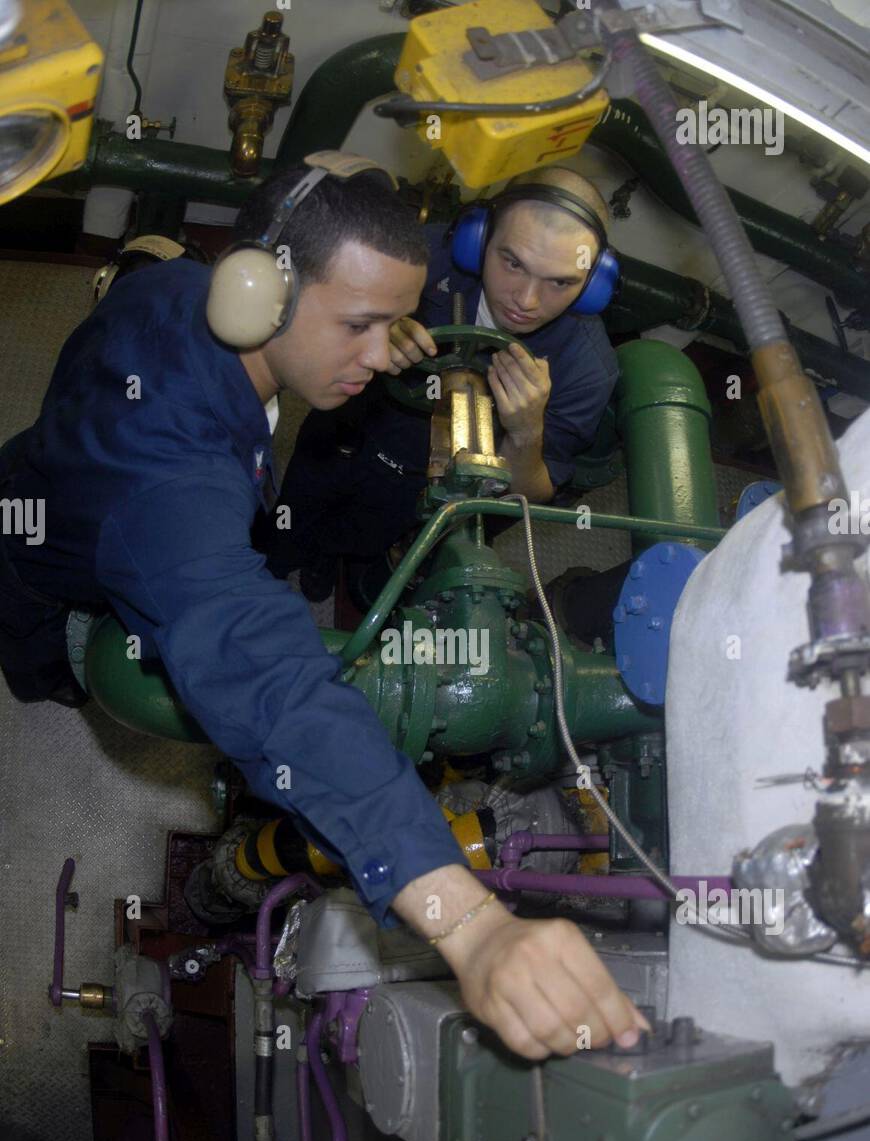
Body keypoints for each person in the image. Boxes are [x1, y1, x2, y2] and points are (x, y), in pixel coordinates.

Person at [0, 153, 646, 1059]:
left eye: (397, 322)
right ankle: (38, 672)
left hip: (41, 462)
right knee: (46, 662)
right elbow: (279, 692)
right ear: (265, 290)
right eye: (360, 324)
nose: (385, 356)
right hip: (44, 561)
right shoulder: (174, 496)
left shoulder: (180, 287)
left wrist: (344, 175)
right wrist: (469, 921)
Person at [253, 165, 620, 600]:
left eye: (561, 282)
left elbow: (530, 495)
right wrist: (373, 330)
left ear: (594, 283)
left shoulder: (587, 368)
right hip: (347, 427)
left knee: (370, 538)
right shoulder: (413, 259)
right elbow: (308, 337)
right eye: (513, 263)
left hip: (423, 485)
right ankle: (281, 559)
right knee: (291, 518)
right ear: (479, 239)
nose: (527, 300)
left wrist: (526, 431)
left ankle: (328, 565)